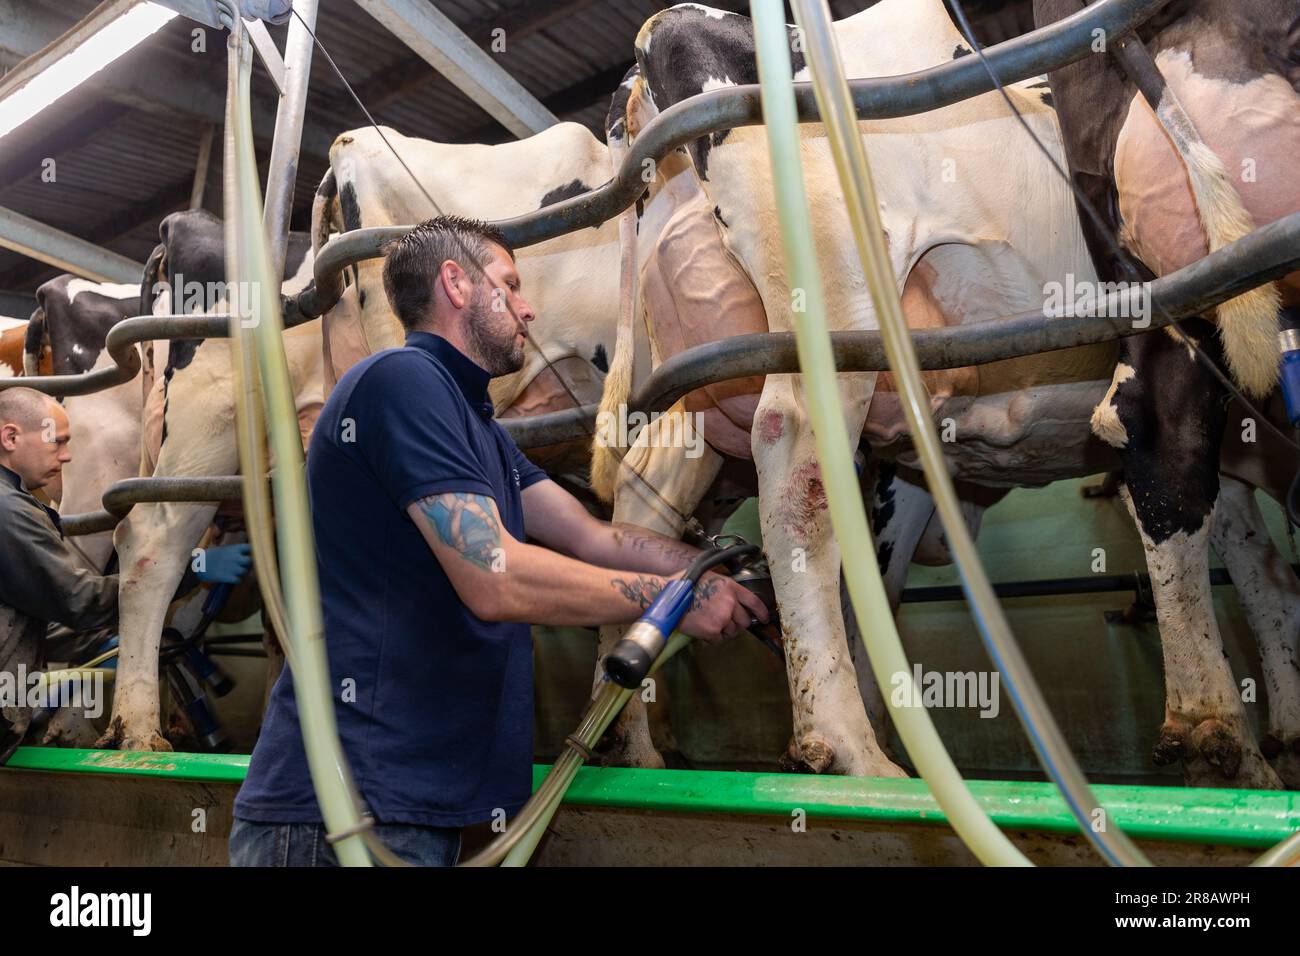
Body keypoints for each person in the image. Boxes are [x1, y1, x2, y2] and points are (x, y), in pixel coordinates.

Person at [230, 215, 768, 867]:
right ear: (455, 284)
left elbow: (594, 537)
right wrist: (672, 601)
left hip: (408, 813)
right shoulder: (400, 382)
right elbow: (495, 576)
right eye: (510, 286)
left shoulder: (480, 433)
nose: (528, 308)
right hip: (342, 817)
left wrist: (706, 574)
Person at [0, 386, 250, 760]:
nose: (67, 456)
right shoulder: (10, 512)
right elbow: (78, 598)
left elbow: (37, 618)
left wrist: (105, 642)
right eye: (58, 442)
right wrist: (190, 568)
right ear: (11, 436)